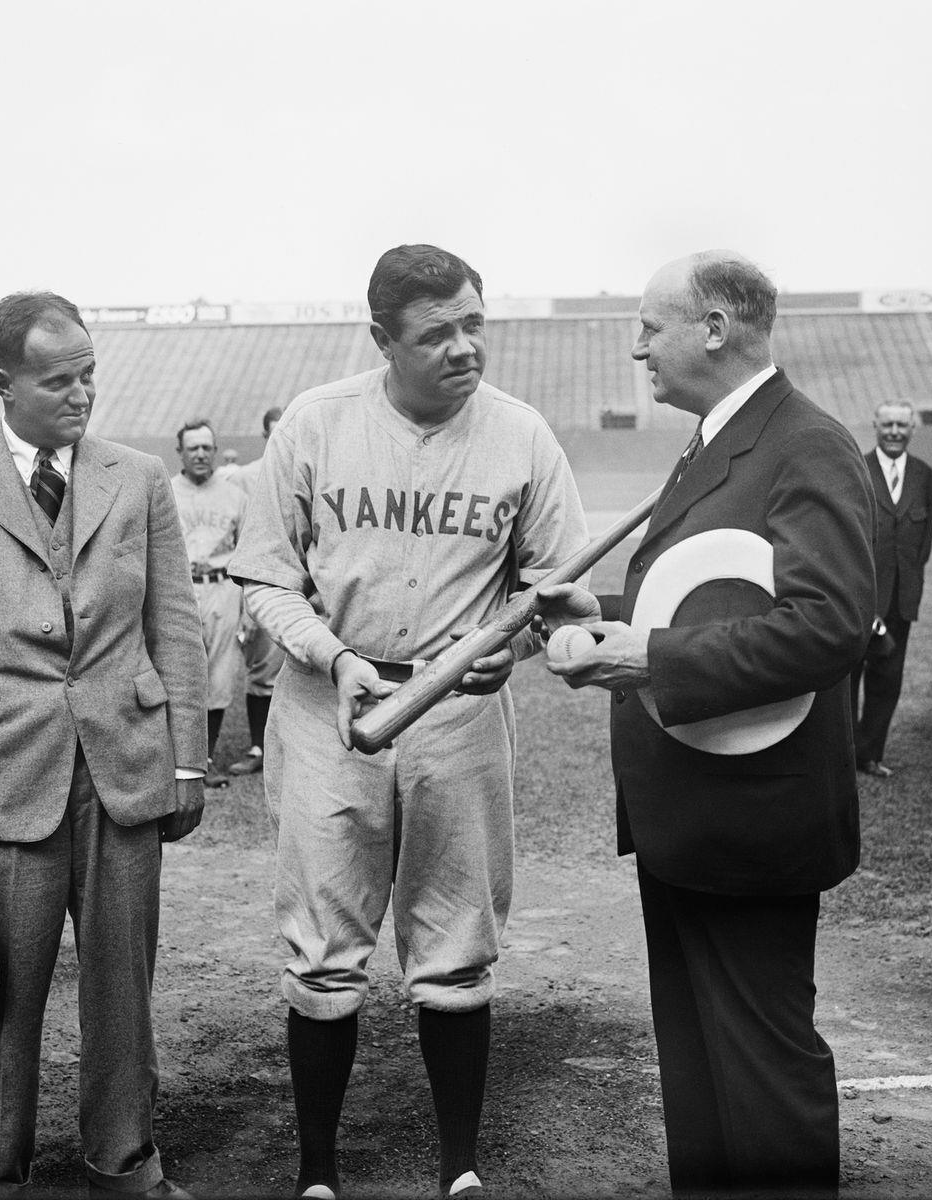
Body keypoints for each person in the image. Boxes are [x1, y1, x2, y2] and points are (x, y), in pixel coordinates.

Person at [229, 244, 587, 1200]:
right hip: (328, 702)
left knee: (456, 941)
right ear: (384, 339)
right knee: (322, 945)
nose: (464, 348)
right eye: (436, 335)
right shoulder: (315, 423)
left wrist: (508, 650)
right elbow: (262, 574)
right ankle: (316, 1175)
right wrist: (334, 657)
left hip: (458, 709)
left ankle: (460, 1169)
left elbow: (559, 592)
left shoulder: (521, 434)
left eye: (475, 323)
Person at [541, 251, 874, 1194]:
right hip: (691, 816)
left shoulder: (804, 442)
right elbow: (719, 597)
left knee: (760, 1074)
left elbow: (829, 627)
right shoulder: (723, 436)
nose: (635, 346)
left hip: (750, 824)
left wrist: (645, 657)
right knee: (699, 1072)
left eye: (650, 325)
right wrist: (600, 612)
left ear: (715, 329)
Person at [0, 290, 208, 1198]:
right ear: (3, 383)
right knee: (0, 991)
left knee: (122, 989)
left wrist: (187, 759)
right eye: (58, 379)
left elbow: (175, 626)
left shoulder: (139, 479)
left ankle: (125, 1160)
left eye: (89, 373)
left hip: (125, 768)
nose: (81, 394)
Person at [850, 401, 932, 777]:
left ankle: (870, 754)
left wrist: (910, 586)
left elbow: (925, 540)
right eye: (888, 424)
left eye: (902, 424)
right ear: (875, 425)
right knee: (847, 677)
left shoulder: (924, 475)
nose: (895, 431)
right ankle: (844, 754)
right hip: (858, 598)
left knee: (888, 677)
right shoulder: (857, 470)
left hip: (901, 597)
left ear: (912, 427)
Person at [170, 418, 247, 788]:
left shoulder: (234, 495)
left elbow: (247, 553)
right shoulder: (167, 491)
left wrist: (248, 607)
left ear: (215, 451)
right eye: (193, 448)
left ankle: (205, 760)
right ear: (180, 452)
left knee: (218, 677)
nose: (200, 454)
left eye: (206, 447)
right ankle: (174, 761)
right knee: (176, 675)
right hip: (178, 589)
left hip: (221, 588)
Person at [226, 405, 285, 777]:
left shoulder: (308, 466)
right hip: (260, 581)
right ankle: (259, 746)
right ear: (265, 435)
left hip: (306, 588)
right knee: (262, 669)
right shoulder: (245, 478)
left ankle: (293, 749)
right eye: (274, 431)